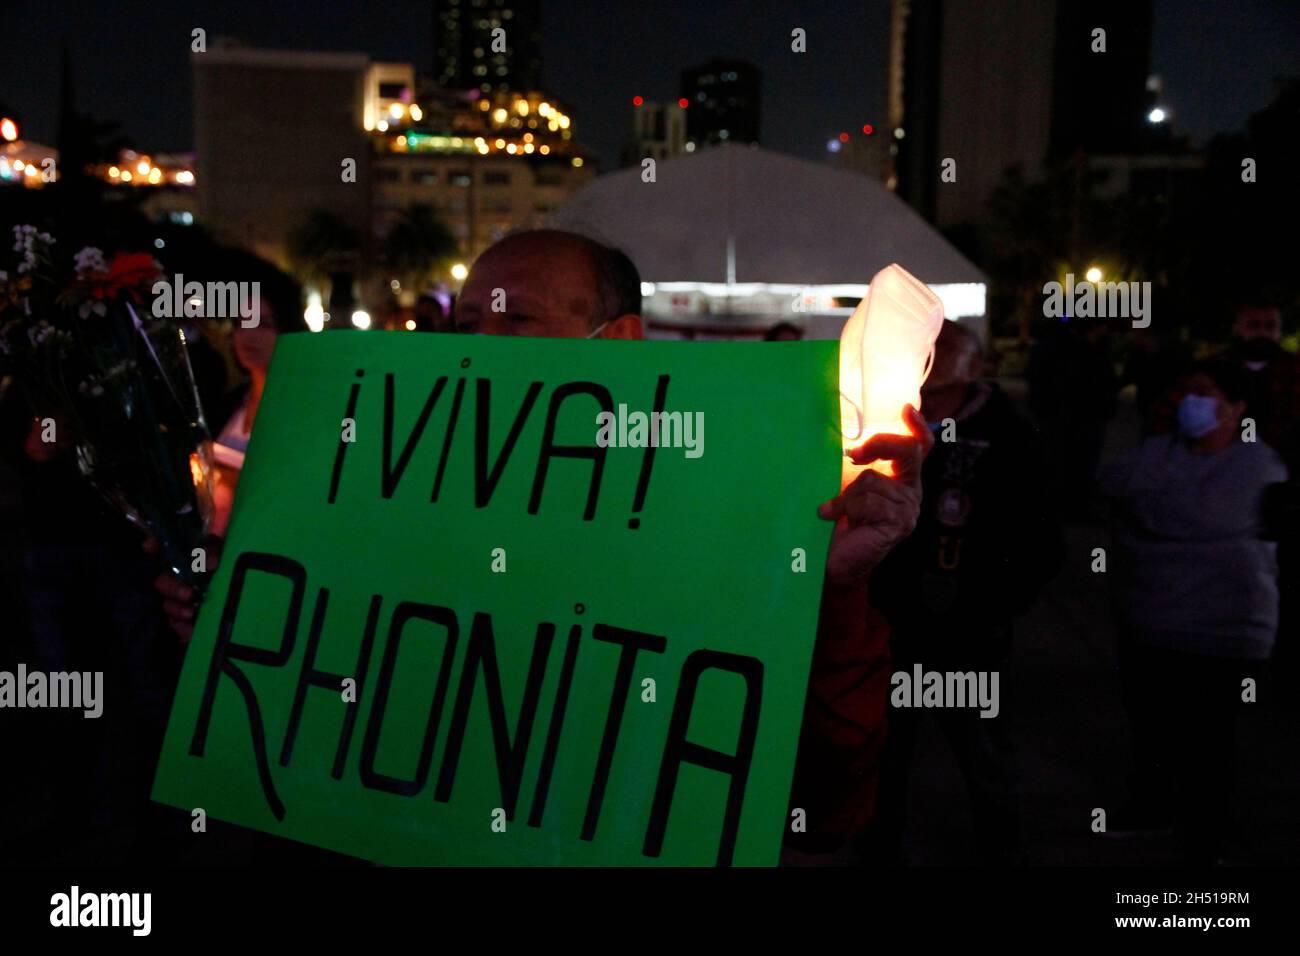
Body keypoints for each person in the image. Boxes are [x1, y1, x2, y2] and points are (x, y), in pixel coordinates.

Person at [157, 229, 933, 861]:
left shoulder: (721, 522)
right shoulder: (388, 506)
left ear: (619, 342)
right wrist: (231, 627)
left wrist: (825, 596)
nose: (480, 352)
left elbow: (824, 805)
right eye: (466, 328)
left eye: (516, 322)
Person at [863, 321, 1063, 865]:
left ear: (976, 365)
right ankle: (881, 850)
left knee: (982, 752)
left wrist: (997, 603)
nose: (933, 355)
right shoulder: (884, 420)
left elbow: (1042, 535)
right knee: (884, 750)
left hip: (971, 634)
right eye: (926, 344)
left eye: (948, 346)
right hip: (894, 625)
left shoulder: (1010, 433)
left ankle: (1001, 852)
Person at [1099, 360, 1286, 862]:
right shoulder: (1160, 449)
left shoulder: (1257, 464)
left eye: (1204, 392)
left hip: (1221, 628)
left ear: (1237, 406)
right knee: (1150, 725)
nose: (1191, 402)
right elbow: (1111, 481)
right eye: (1184, 391)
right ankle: (1152, 810)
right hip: (1149, 619)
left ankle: (1209, 835)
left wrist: (1148, 514)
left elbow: (1200, 516)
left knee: (1209, 738)